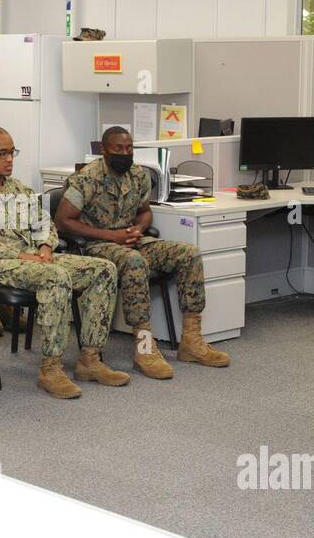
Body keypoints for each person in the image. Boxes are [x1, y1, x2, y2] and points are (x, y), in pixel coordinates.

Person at [0, 127, 129, 399]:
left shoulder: (20, 189)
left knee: (102, 269)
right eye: (2, 153)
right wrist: (20, 255)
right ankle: (51, 368)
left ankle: (90, 359)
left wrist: (45, 246)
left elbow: (45, 224)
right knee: (54, 276)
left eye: (12, 152)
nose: (10, 159)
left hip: (36, 259)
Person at [55, 127, 231, 378]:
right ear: (103, 150)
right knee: (134, 261)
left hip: (132, 240)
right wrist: (112, 236)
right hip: (95, 246)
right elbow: (63, 221)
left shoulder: (137, 175)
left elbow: (145, 211)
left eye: (129, 149)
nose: (125, 154)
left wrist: (138, 228)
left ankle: (192, 341)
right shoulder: (86, 178)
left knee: (188, 253)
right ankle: (144, 347)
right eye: (118, 149)